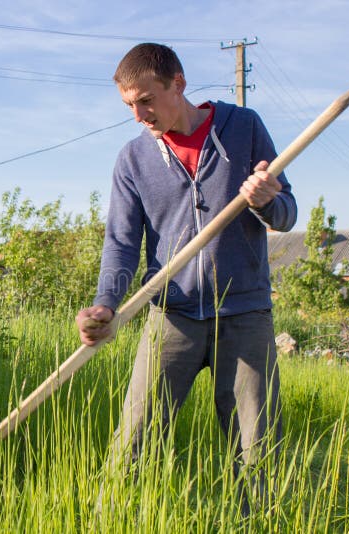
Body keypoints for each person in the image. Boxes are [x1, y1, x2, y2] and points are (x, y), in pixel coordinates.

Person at [76, 43, 297, 511]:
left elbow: (286, 214)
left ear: (178, 83)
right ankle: (111, 518)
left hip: (244, 313)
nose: (138, 115)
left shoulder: (243, 128)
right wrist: (106, 304)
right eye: (129, 106)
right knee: (135, 437)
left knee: (258, 445)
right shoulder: (133, 159)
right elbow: (120, 242)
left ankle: (263, 520)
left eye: (146, 100)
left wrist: (263, 199)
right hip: (171, 316)